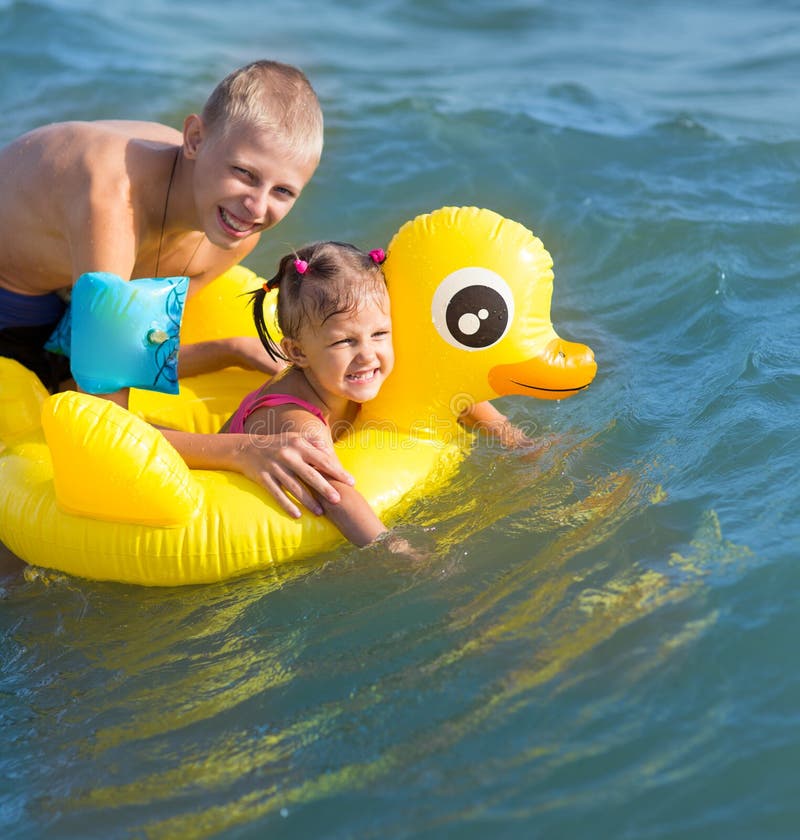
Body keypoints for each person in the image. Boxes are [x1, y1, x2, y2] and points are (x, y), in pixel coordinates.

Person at [0, 59, 354, 517]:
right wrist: (240, 449)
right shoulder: (112, 200)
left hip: (68, 288)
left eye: (283, 191)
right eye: (244, 173)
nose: (257, 206)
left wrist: (230, 350)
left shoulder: (234, 230)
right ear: (195, 140)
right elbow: (102, 417)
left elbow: (126, 362)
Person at [221, 241, 399, 545]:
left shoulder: (355, 374)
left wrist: (502, 431)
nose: (368, 354)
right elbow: (335, 494)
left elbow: (435, 385)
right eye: (344, 342)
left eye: (379, 334)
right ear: (297, 352)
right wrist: (399, 552)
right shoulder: (297, 420)